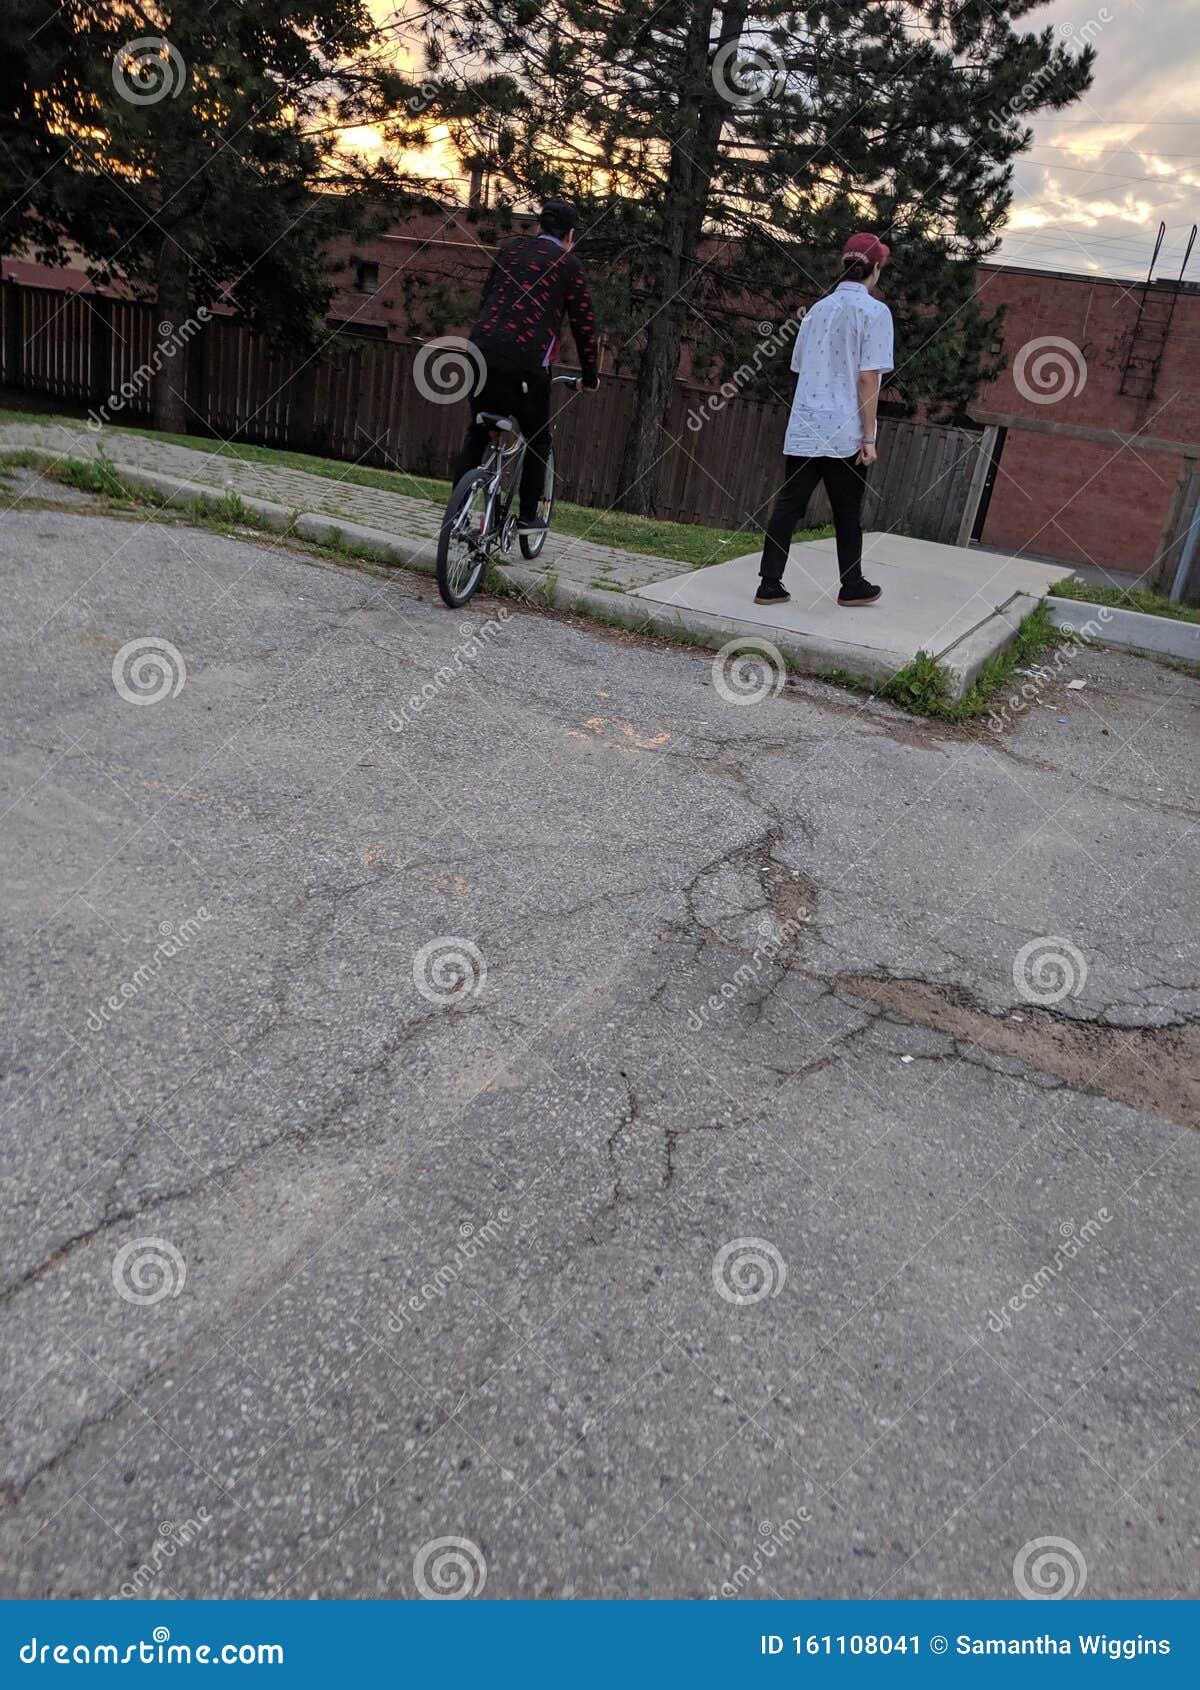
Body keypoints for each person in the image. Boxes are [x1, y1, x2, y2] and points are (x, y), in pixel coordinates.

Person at [755, 232, 894, 607]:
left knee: (789, 506)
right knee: (847, 511)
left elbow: (799, 366)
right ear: (875, 268)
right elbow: (868, 378)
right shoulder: (876, 313)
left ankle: (769, 583)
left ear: (845, 265)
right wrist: (869, 437)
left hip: (805, 425)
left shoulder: (816, 310)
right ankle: (852, 586)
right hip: (844, 430)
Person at [450, 198, 600, 535]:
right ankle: (529, 517)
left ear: (539, 227)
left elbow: (487, 297)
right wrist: (590, 376)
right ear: (570, 234)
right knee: (537, 438)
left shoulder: (510, 251)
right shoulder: (568, 264)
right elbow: (585, 326)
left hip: (481, 351)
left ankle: (456, 518)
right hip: (524, 363)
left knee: (477, 430)